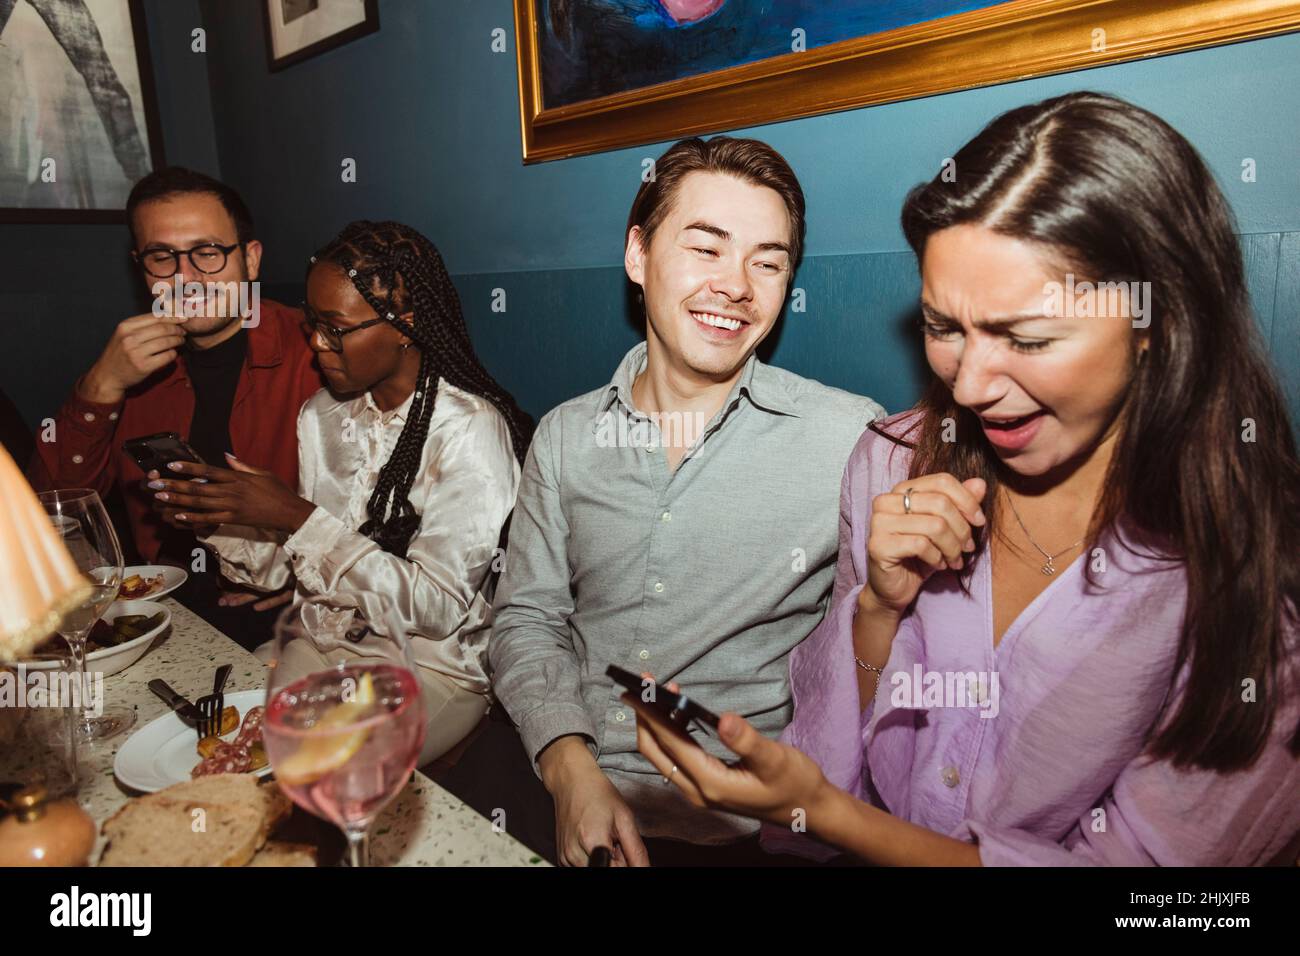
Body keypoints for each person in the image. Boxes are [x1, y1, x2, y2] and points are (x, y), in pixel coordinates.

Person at [622, 92, 1300, 866]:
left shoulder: (1250, 589)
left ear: (1160, 324)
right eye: (943, 328)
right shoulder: (889, 462)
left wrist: (827, 815)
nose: (972, 385)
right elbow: (836, 755)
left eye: (1029, 337)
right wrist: (877, 608)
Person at [439, 135, 885, 866]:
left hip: (741, 828)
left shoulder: (849, 439)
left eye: (768, 262)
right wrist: (569, 767)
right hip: (549, 770)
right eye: (707, 248)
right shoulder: (564, 436)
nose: (737, 285)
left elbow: (896, 637)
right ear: (638, 255)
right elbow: (526, 615)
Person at [148, 221, 533, 765]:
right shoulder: (322, 415)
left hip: (429, 667)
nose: (315, 343)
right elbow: (287, 573)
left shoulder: (469, 428)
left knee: (307, 769)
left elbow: (437, 606)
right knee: (204, 739)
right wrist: (216, 518)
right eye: (312, 324)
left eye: (334, 328)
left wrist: (296, 516)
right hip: (320, 642)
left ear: (405, 325)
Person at [34, 167, 322, 650]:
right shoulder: (127, 362)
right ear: (140, 267)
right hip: (164, 605)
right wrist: (99, 388)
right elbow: (55, 511)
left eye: (208, 253)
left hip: (286, 612)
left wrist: (311, 582)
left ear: (250, 260)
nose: (186, 278)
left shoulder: (315, 351)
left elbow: (387, 499)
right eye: (162, 257)